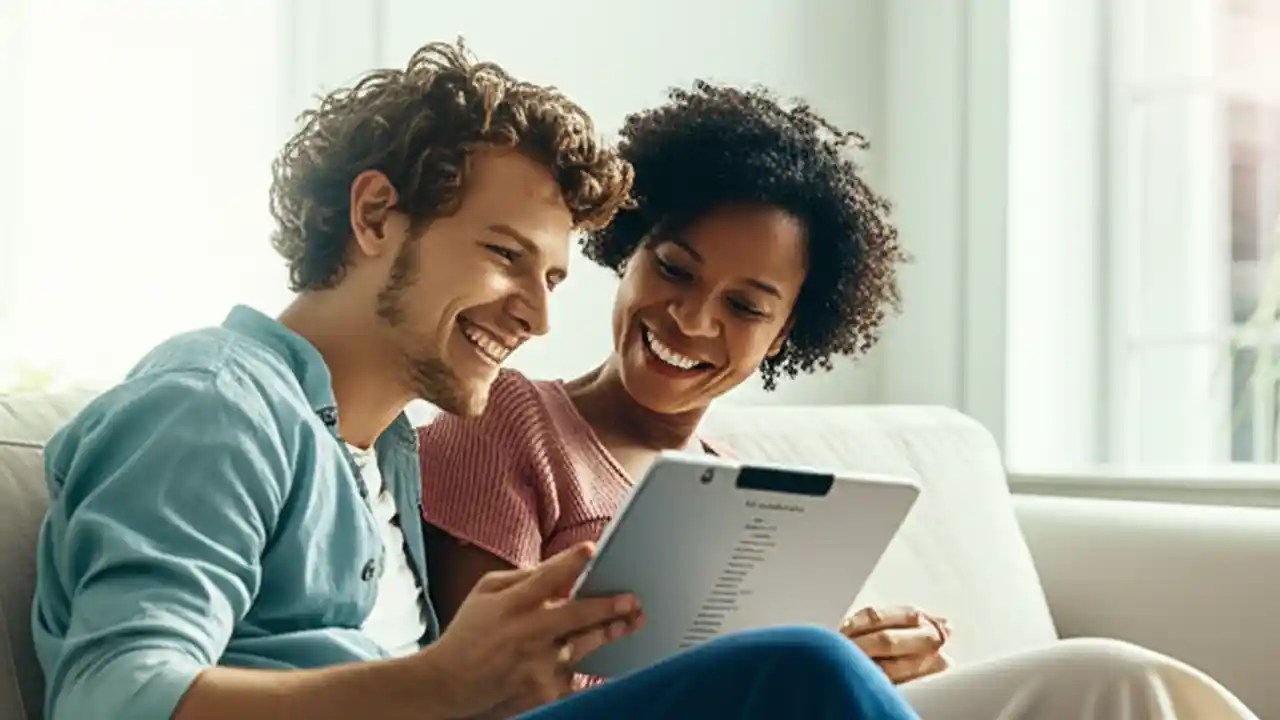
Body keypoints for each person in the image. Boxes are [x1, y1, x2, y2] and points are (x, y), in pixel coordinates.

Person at [30, 40, 918, 720]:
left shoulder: (388, 454)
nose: (535, 316)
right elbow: (113, 694)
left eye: (554, 280)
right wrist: (439, 682)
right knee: (802, 670)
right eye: (504, 255)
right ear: (377, 215)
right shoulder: (217, 404)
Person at [417, 82, 1261, 720]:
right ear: (627, 251)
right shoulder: (508, 419)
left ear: (785, 333)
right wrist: (801, 666)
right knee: (1103, 675)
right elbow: (487, 690)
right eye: (673, 268)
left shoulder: (736, 492)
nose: (692, 318)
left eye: (746, 307)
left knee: (1119, 682)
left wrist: (854, 660)